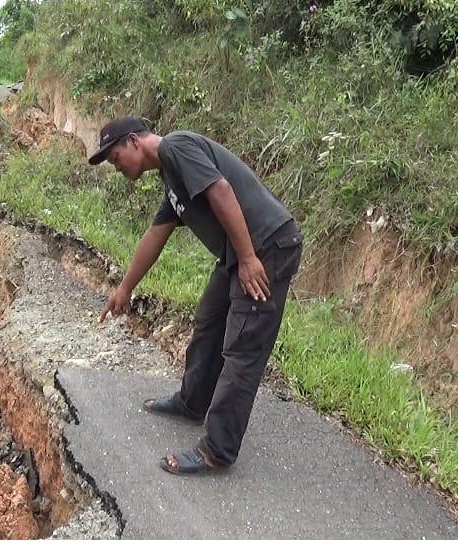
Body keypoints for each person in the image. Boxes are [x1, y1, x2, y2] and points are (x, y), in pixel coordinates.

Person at [88, 117, 303, 475]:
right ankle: (193, 402)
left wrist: (248, 258)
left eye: (115, 157)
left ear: (133, 142)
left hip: (266, 246)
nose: (117, 166)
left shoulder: (176, 147)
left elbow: (221, 191)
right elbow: (156, 234)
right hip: (239, 253)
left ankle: (216, 451)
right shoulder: (172, 175)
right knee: (209, 323)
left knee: (242, 349)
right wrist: (124, 288)